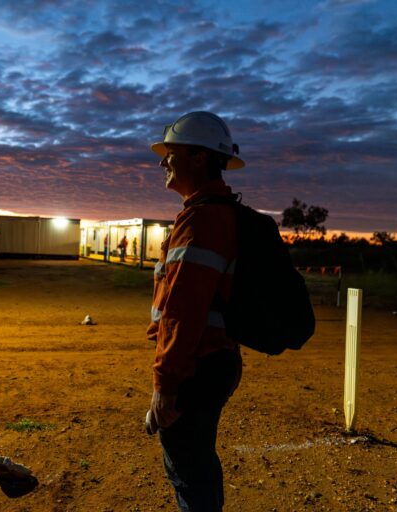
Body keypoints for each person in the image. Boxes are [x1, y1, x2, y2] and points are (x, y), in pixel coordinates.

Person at [145, 111, 245, 511]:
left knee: (190, 470)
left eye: (171, 154)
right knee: (198, 462)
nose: (163, 162)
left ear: (199, 158)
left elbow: (182, 312)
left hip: (197, 363)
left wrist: (166, 386)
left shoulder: (201, 220)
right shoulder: (218, 214)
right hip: (214, 359)